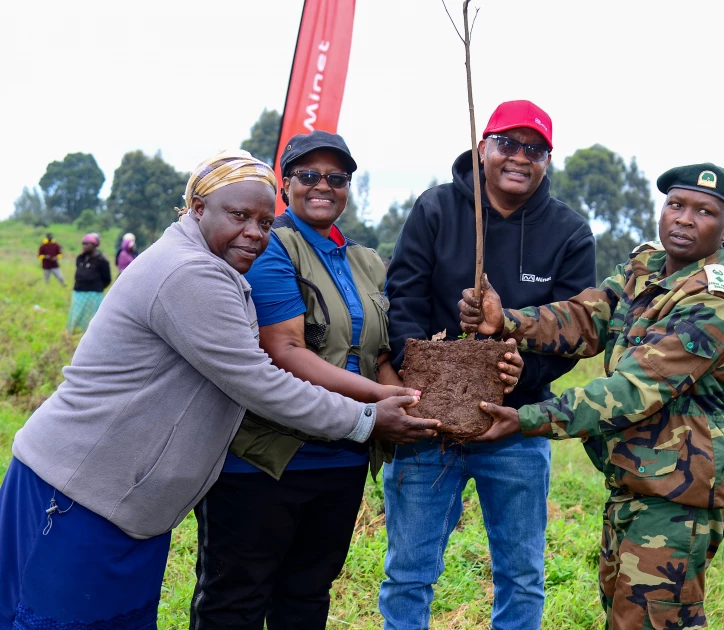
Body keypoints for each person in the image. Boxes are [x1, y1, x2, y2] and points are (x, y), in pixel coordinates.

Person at [0, 150, 440, 630]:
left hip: (127, 502)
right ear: (197, 208)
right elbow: (257, 380)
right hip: (77, 491)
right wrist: (367, 419)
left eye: (265, 221)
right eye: (239, 215)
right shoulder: (190, 273)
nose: (254, 232)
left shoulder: (218, 269)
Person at [460, 163, 724, 630]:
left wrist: (528, 417)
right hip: (636, 481)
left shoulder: (715, 299)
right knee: (622, 616)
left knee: (653, 622)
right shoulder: (647, 267)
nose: (683, 219)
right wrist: (508, 320)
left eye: (703, 211)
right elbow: (584, 319)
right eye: (676, 205)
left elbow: (634, 390)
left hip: (680, 495)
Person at [189, 132, 458, 630]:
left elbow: (375, 352)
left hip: (342, 458)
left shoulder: (365, 260)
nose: (322, 186)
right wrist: (381, 401)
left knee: (308, 595)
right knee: (236, 599)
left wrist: (410, 400)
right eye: (308, 175)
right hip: (266, 460)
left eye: (337, 178)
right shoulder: (270, 245)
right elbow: (284, 350)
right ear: (285, 185)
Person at [379, 100, 596, 629]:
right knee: (408, 572)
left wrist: (527, 375)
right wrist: (420, 366)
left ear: (548, 158)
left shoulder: (569, 232)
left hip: (516, 430)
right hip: (428, 424)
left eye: (534, 148)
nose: (519, 157)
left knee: (521, 575)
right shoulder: (436, 209)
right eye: (507, 144)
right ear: (483, 147)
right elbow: (402, 295)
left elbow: (575, 327)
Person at [66, 233, 111, 333]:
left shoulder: (102, 261)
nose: (84, 246)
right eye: (83, 244)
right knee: (77, 315)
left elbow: (107, 279)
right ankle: (74, 333)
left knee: (91, 317)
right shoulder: (80, 258)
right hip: (78, 292)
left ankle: (89, 334)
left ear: (95, 245)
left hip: (94, 294)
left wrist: (96, 287)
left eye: (87, 243)